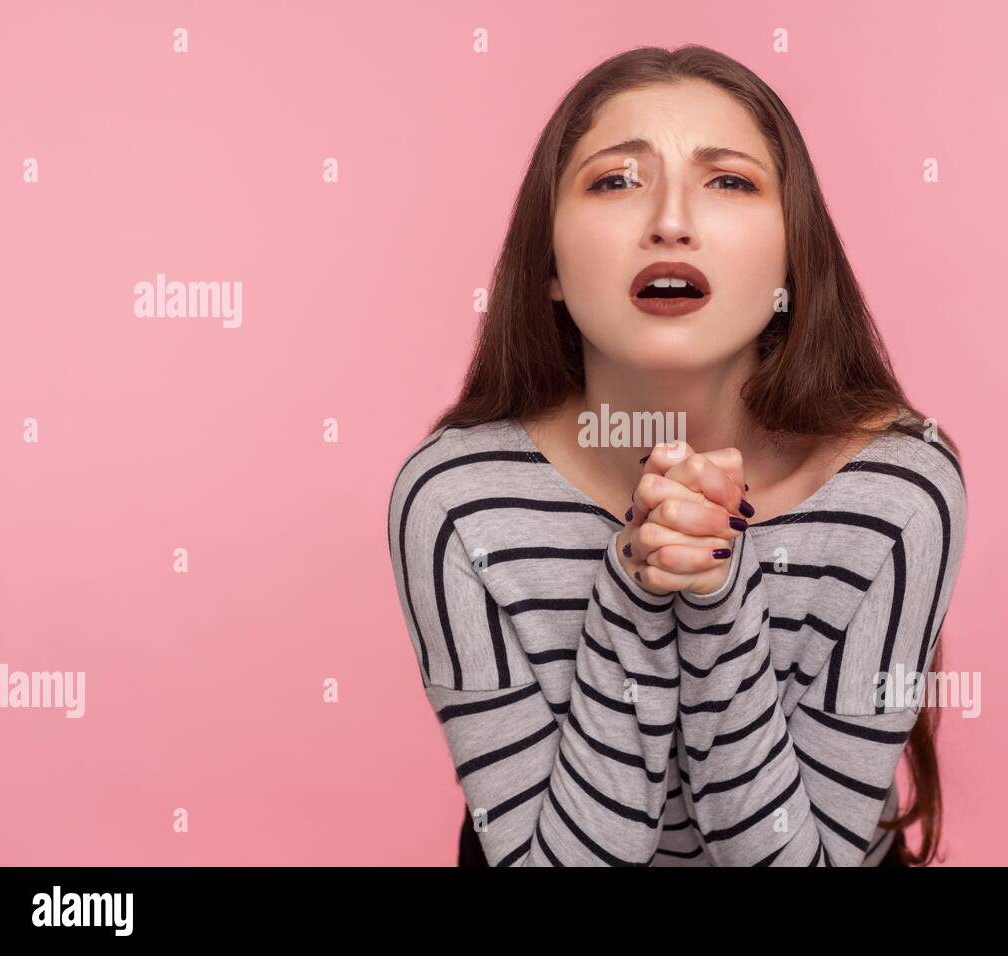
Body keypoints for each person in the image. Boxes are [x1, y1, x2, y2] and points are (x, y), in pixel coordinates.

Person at [388, 45, 966, 866]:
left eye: (728, 181)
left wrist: (717, 593)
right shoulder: (454, 500)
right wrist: (633, 583)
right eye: (614, 180)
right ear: (548, 266)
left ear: (792, 263)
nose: (669, 219)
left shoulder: (897, 492)